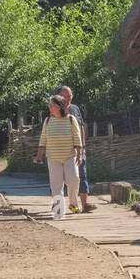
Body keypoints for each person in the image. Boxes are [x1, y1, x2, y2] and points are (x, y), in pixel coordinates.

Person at [34, 94, 83, 219]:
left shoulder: (71, 120)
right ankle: (58, 211)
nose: (50, 108)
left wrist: (80, 154)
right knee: (56, 185)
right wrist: (39, 155)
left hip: (69, 156)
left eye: (52, 105)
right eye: (49, 106)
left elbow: (77, 138)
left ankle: (73, 203)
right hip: (53, 157)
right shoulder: (48, 121)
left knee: (74, 180)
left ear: (60, 106)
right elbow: (43, 139)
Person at [59, 85, 97, 213]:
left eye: (69, 96)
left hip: (78, 148)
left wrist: (83, 145)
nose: (67, 98)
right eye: (65, 96)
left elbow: (81, 126)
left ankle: (85, 204)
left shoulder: (75, 109)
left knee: (82, 174)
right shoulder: (55, 110)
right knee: (62, 179)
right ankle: (62, 206)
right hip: (62, 150)